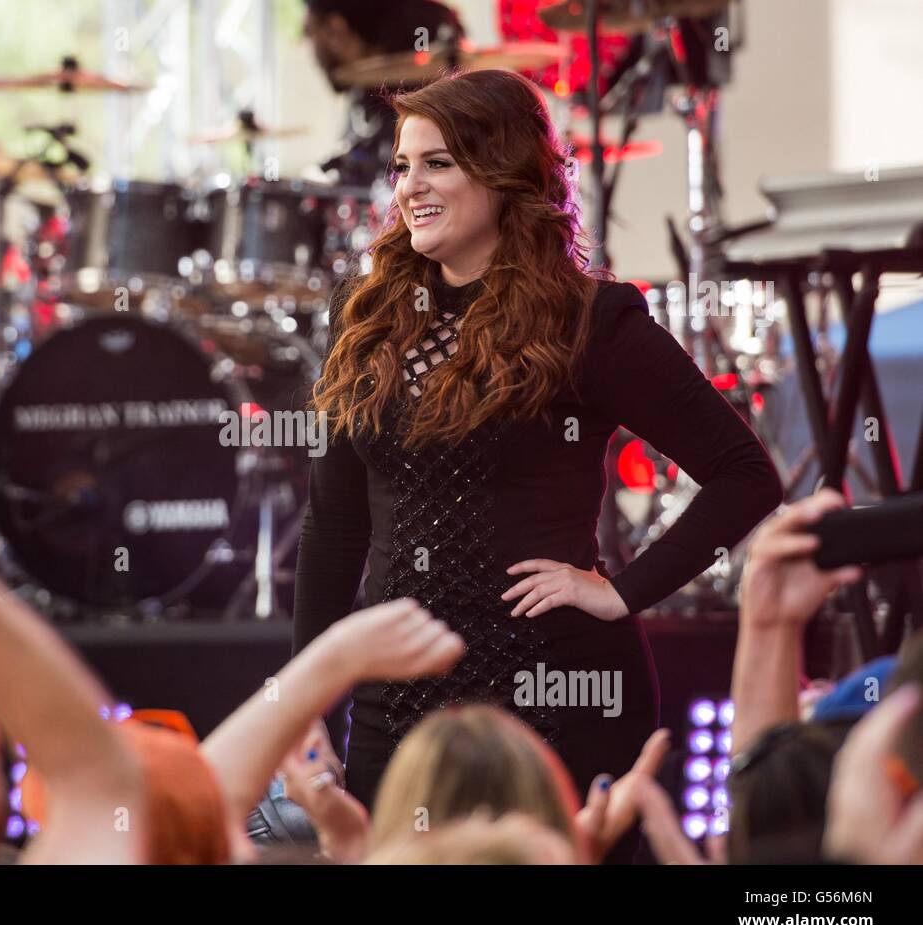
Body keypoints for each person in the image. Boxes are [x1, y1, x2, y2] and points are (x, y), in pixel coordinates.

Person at [292, 68, 783, 813]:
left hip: (559, 695)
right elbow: (333, 526)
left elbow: (745, 473)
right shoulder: (363, 317)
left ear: (503, 172)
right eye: (402, 166)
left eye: (437, 163)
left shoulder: (590, 320)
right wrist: (302, 703)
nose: (409, 187)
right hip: (398, 704)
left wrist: (623, 591)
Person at [303, 0, 466, 186]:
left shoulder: (408, 111)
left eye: (310, 33)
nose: (311, 53)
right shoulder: (365, 95)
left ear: (335, 29)